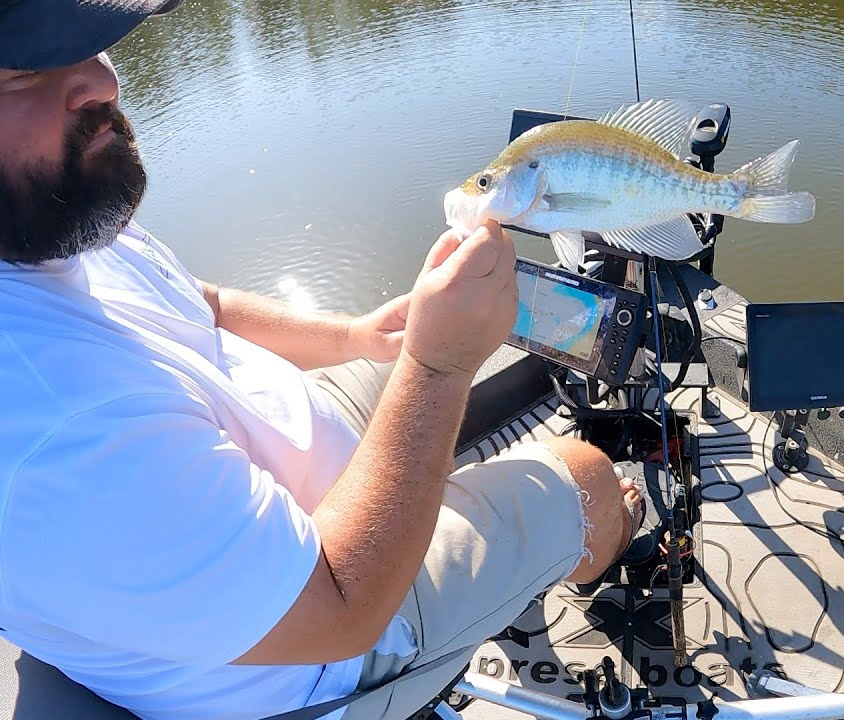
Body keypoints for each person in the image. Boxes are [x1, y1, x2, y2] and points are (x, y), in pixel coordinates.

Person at [0, 2, 645, 719]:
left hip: (284, 465)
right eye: (25, 72)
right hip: (334, 649)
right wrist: (436, 369)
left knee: (433, 375)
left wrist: (358, 336)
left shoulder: (43, 217)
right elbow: (342, 610)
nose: (101, 82)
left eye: (93, 46)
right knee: (586, 476)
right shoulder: (48, 433)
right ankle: (602, 541)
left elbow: (203, 306)